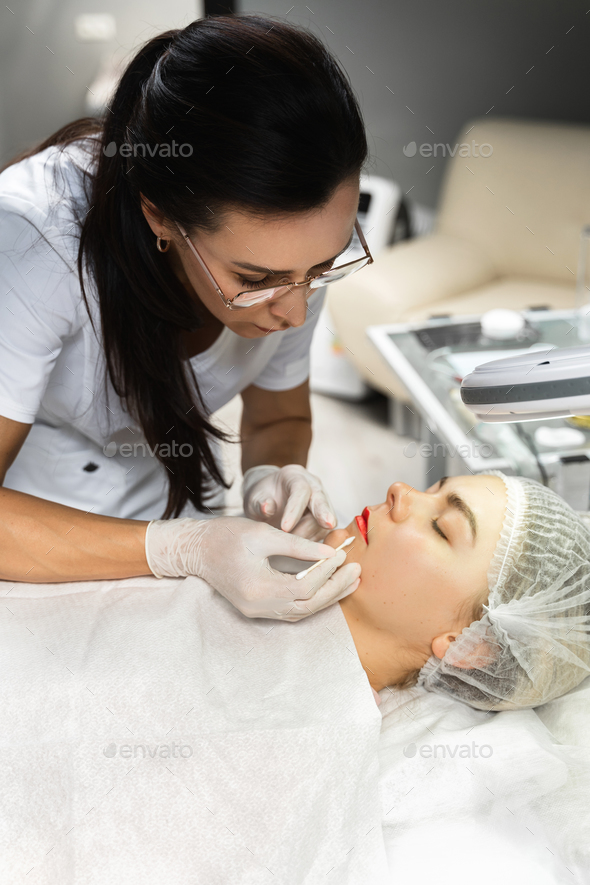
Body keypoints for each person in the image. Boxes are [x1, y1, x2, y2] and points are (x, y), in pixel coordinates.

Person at [0, 14, 372, 617]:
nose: (295, 311)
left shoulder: (293, 257)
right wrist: (185, 549)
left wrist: (272, 478)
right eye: (255, 280)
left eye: (323, 267)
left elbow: (279, 415)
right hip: (30, 537)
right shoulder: (29, 243)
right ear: (159, 215)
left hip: (172, 505)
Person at [323, 470, 590, 711]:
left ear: (467, 646)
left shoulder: (320, 722)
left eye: (440, 528)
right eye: (430, 489)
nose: (399, 489)